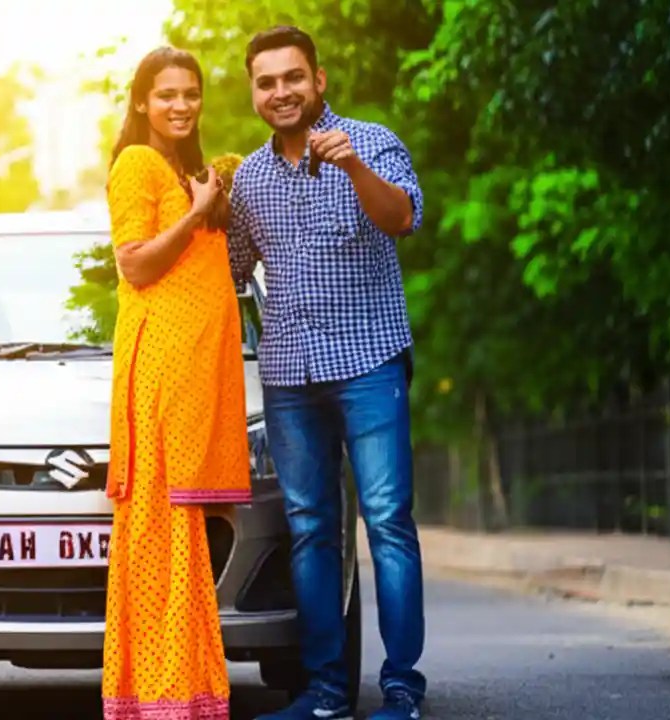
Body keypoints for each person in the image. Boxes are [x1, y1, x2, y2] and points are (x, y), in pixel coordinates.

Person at [226, 25, 428, 720]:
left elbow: (402, 219)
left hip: (369, 363)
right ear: (255, 92)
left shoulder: (372, 143)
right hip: (289, 374)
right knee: (310, 529)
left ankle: (402, 689)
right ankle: (325, 695)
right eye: (267, 82)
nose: (281, 91)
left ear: (319, 82)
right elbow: (229, 273)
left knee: (387, 523)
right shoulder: (249, 180)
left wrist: (353, 170)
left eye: (293, 78)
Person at [100, 46, 252, 720]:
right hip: (160, 375)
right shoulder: (137, 164)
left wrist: (214, 194)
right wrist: (195, 215)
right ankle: (163, 696)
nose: (181, 104)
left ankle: (186, 691)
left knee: (182, 534)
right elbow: (134, 266)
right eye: (166, 94)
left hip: (190, 378)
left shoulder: (188, 171)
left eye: (190, 93)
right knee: (164, 536)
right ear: (141, 102)